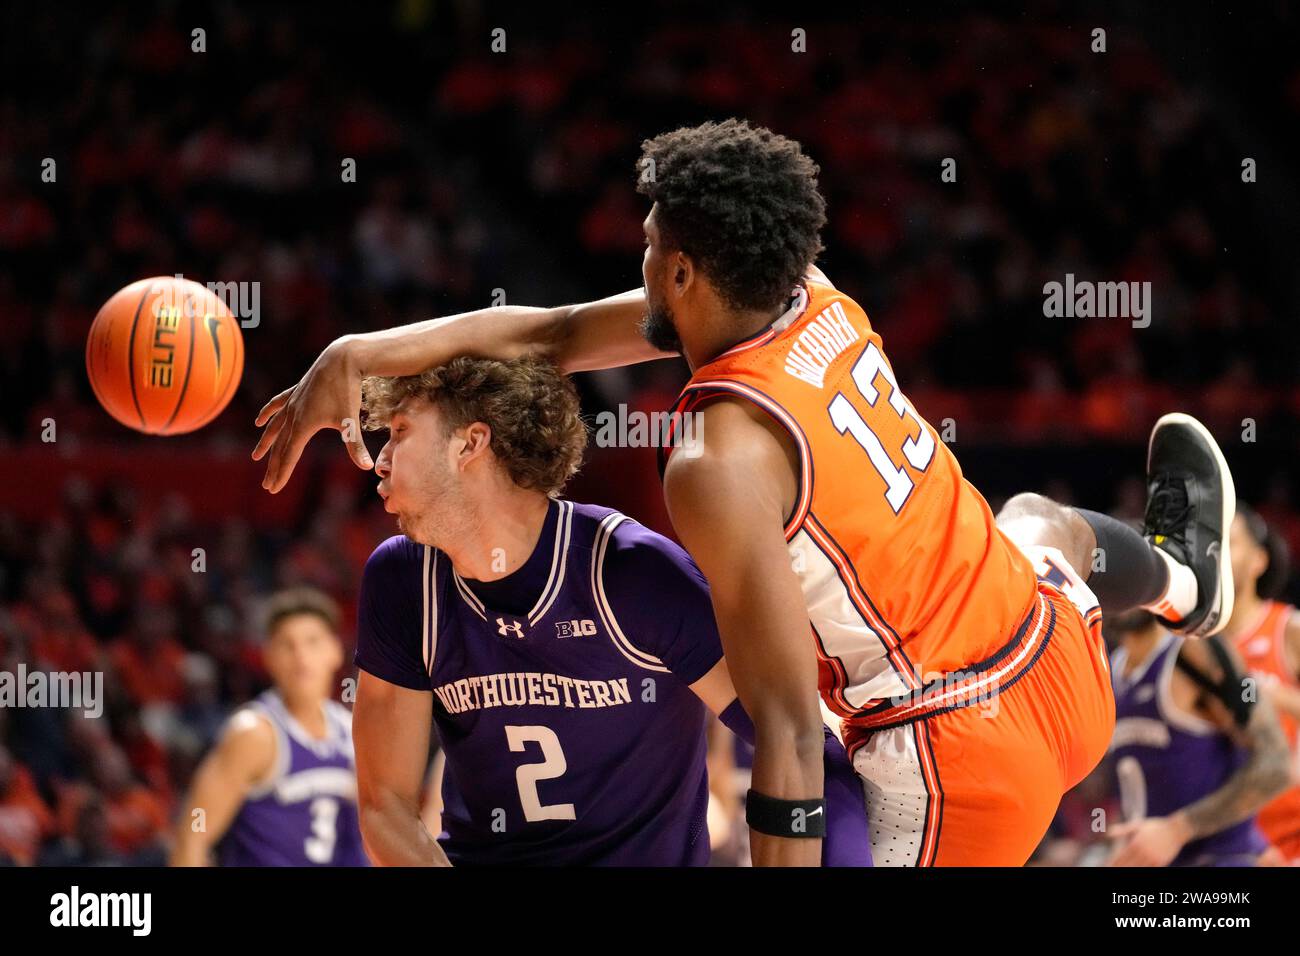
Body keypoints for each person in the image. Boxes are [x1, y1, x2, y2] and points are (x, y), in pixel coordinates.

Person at [255, 119, 1236, 866]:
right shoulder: (807, 287)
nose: (636, 260)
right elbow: (549, 332)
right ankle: (1186, 579)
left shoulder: (715, 461)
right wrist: (356, 355)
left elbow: (786, 727)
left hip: (953, 766)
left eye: (646, 246)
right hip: (1057, 660)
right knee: (1036, 519)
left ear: (679, 270)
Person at [351, 355, 870, 865]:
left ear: (470, 443)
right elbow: (385, 805)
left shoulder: (630, 573)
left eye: (399, 431)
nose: (382, 459)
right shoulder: (403, 580)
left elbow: (800, 740)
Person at [171, 588, 367, 866]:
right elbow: (193, 835)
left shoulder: (351, 732)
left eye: (312, 642)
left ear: (335, 650)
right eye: (287, 645)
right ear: (269, 657)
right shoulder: (253, 734)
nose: (301, 656)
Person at [1107, 607, 1289, 866]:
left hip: (1225, 857)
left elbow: (1277, 765)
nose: (1126, 589)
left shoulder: (1194, 651)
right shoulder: (1109, 669)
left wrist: (1176, 830)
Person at [1222, 502, 1300, 860]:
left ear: (1258, 560)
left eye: (1229, 542)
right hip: (1227, 843)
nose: (1216, 553)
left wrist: (1278, 697)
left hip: (1289, 842)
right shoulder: (1191, 646)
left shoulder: (1288, 628)